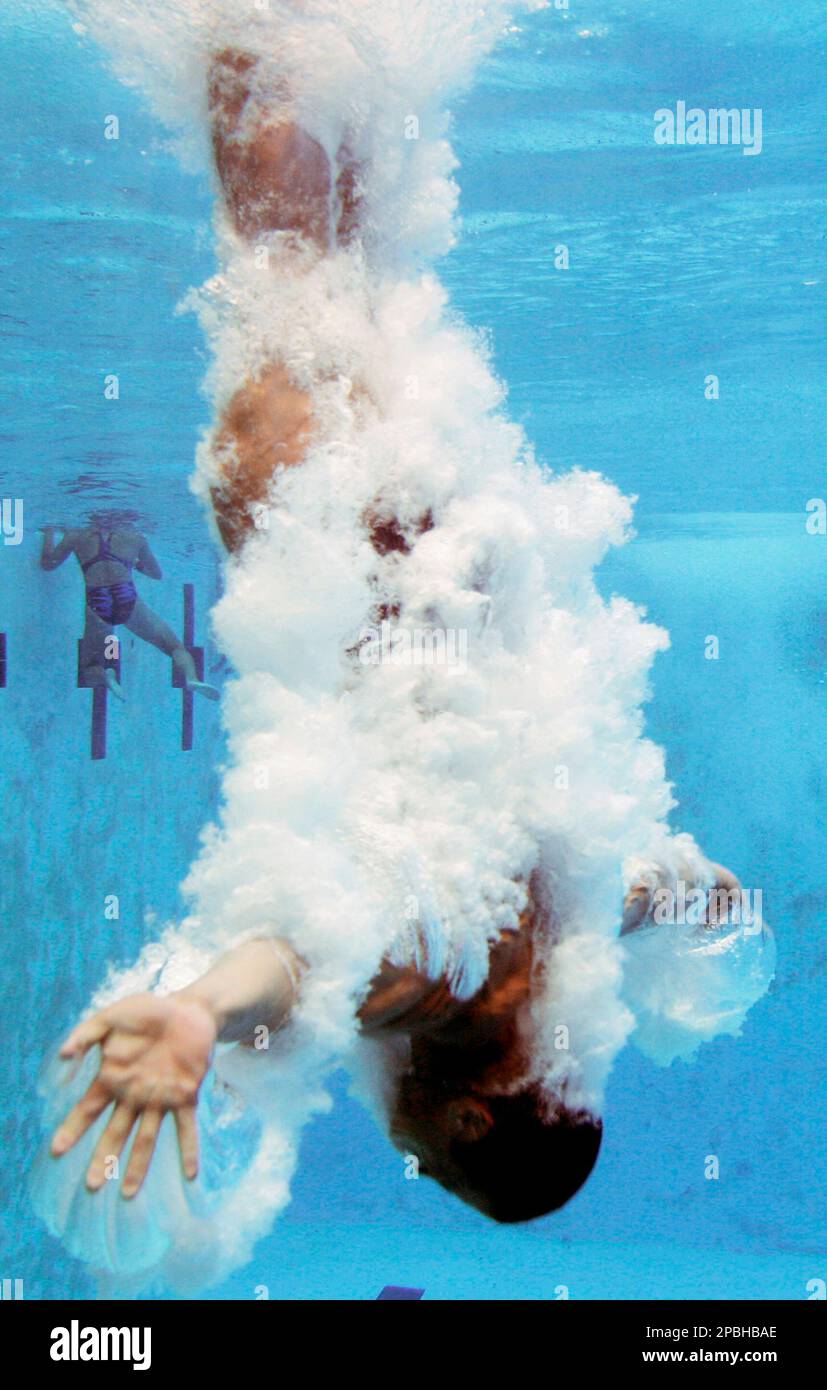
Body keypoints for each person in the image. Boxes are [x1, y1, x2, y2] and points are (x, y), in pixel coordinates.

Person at [45, 46, 753, 1225]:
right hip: (318, 524)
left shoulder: (574, 919)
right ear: (473, 1116)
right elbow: (320, 958)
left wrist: (713, 899)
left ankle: (362, 38)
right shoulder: (454, 983)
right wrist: (200, 1012)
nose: (400, 1140)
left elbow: (675, 889)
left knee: (352, 242)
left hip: (442, 527)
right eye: (428, 1157)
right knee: (269, 205)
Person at [40, 516, 219, 701]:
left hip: (97, 602)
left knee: (90, 668)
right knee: (174, 647)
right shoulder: (134, 536)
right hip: (127, 600)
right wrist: (133, 563)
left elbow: (48, 564)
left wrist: (49, 534)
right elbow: (155, 573)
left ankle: (106, 676)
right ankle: (191, 679)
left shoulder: (76, 534)